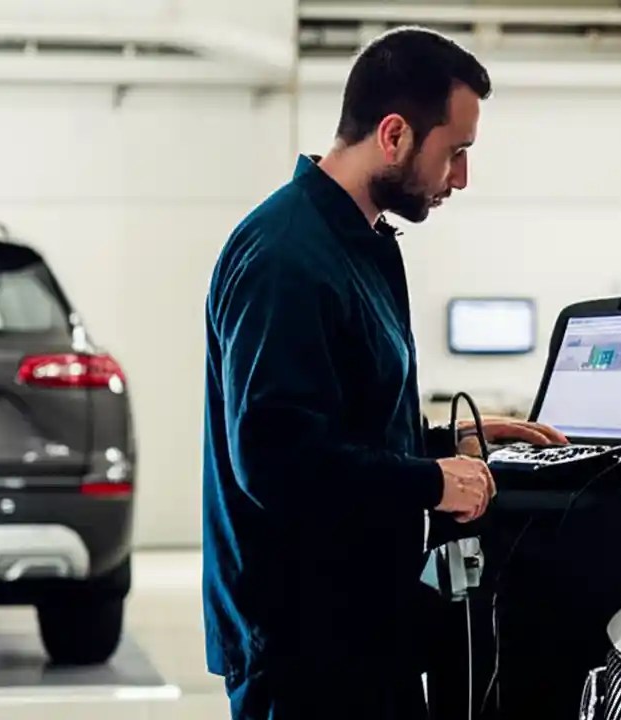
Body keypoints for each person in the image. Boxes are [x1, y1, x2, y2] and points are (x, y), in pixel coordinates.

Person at [201, 27, 568, 719]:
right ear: (395, 134)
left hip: (363, 628)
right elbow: (276, 460)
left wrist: (443, 442)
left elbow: (345, 422)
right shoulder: (287, 257)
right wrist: (432, 482)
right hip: (306, 651)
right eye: (455, 152)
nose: (460, 177)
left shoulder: (360, 244)